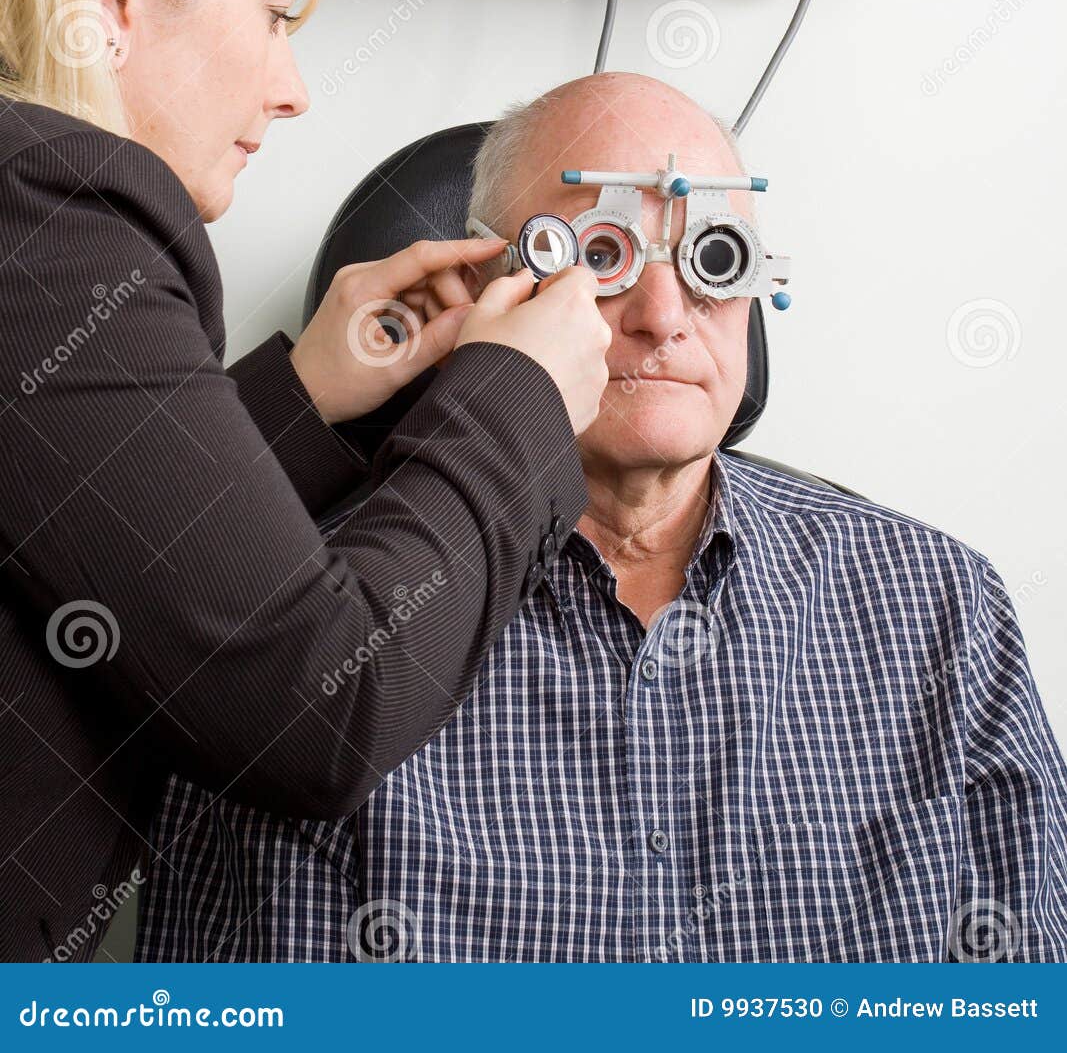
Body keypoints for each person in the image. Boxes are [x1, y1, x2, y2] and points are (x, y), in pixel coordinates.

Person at [139, 73, 1067, 964]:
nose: (663, 316)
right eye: (600, 256)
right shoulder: (306, 621)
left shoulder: (937, 606)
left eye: (713, 256)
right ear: (488, 282)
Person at [0, 0, 611, 963]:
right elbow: (320, 704)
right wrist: (515, 401)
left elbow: (90, 531)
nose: (293, 88)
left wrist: (303, 395)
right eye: (276, 13)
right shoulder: (53, 219)